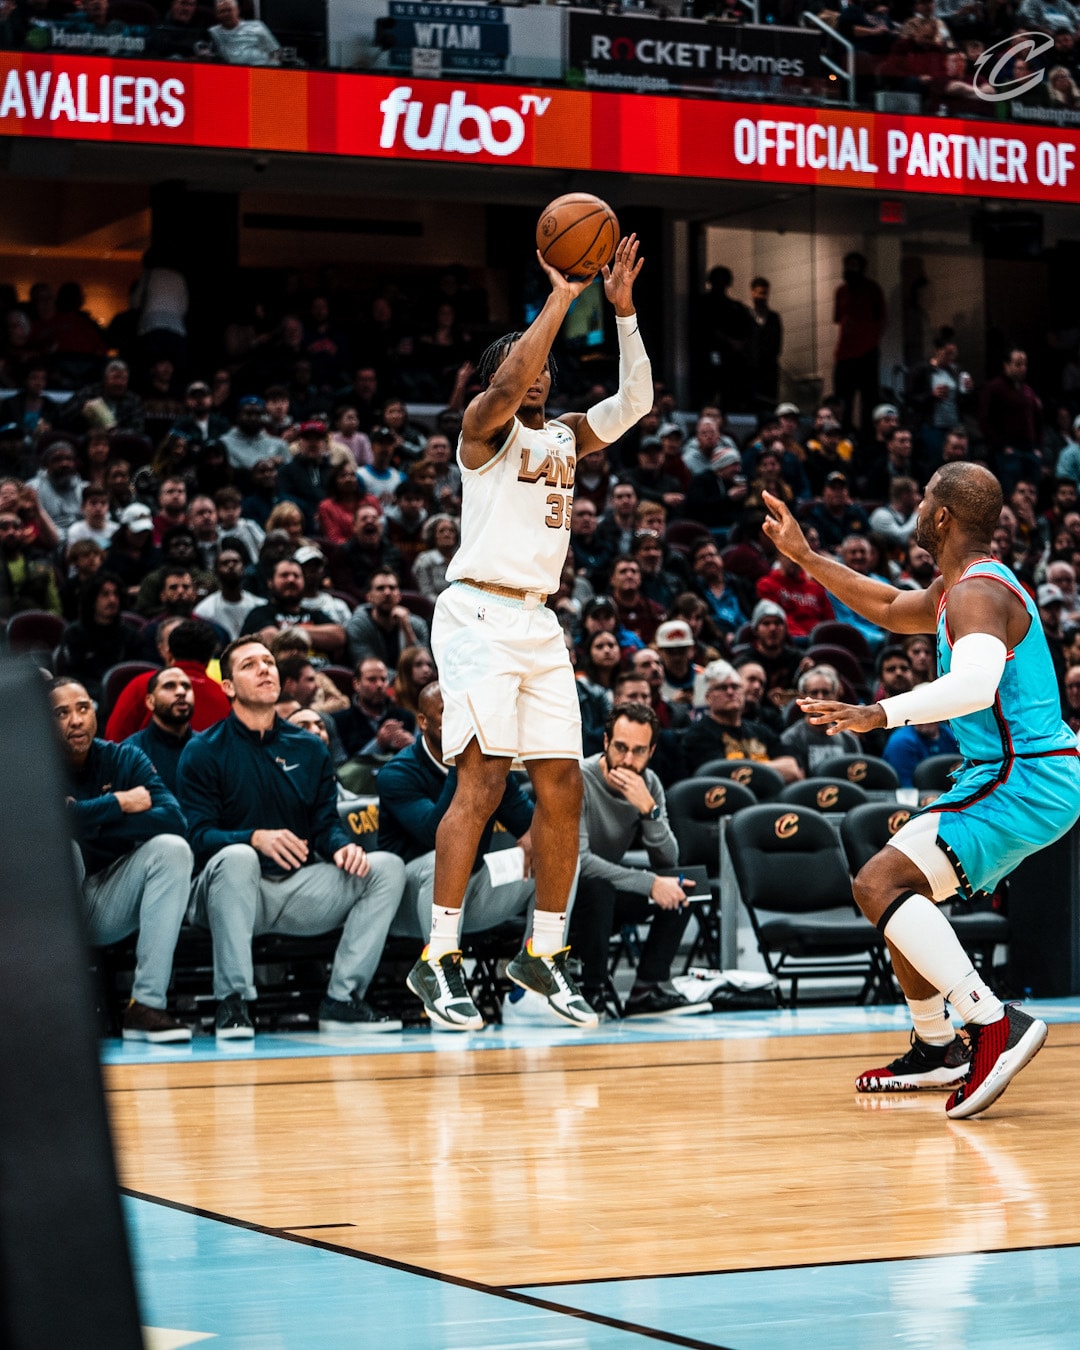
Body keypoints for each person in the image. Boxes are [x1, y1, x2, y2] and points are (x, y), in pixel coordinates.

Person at [762, 463, 1080, 1118]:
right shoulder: (954, 588)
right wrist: (806, 556)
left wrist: (879, 713)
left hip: (1026, 775)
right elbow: (881, 605)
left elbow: (974, 688)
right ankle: (939, 1047)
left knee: (877, 884)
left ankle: (992, 1023)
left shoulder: (977, 595)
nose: (912, 502)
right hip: (1016, 774)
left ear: (941, 516)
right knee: (898, 888)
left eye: (925, 494)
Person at [408, 233, 651, 1033]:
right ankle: (436, 958)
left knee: (564, 788)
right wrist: (558, 295)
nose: (540, 369)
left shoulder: (563, 435)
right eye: (527, 360)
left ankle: (544, 953)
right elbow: (510, 380)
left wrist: (619, 315)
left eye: (547, 359)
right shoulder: (483, 429)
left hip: (539, 620)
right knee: (480, 784)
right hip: (477, 612)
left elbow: (636, 404)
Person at [176, 637, 407, 1038]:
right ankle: (234, 1002)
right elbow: (198, 837)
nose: (265, 669)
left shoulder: (309, 747)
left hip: (295, 889)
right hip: (224, 894)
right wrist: (253, 838)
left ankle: (343, 1000)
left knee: (385, 867)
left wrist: (342, 846)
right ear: (227, 686)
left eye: (268, 662)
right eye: (250, 665)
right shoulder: (202, 750)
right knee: (238, 858)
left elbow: (323, 825)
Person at [51, 677, 193, 1043]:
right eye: (61, 713)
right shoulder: (33, 768)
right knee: (62, 847)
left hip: (109, 897)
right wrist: (118, 803)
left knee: (173, 849)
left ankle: (145, 1005)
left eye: (83, 708)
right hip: (50, 915)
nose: (76, 720)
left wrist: (86, 818)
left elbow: (173, 819)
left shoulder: (124, 756)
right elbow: (47, 829)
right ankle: (53, 1011)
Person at [378, 682, 535, 998]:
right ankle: (442, 980)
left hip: (474, 888)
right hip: (408, 899)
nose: (463, 722)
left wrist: (536, 833)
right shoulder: (397, 773)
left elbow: (529, 822)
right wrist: (462, 766)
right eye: (449, 713)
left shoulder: (489, 769)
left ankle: (533, 982)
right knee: (445, 859)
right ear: (423, 721)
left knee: (555, 854)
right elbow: (435, 835)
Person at [571, 702, 710, 1019]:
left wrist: (650, 811)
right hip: (569, 896)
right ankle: (594, 992)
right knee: (597, 886)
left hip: (609, 892)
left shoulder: (649, 784)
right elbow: (579, 862)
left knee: (685, 883)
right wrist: (648, 884)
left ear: (652, 751)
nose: (628, 760)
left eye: (639, 751)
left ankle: (646, 990)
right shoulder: (577, 779)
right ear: (605, 743)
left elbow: (668, 860)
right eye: (620, 748)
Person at [105, 618, 231, 741]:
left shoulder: (140, 685)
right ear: (209, 659)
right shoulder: (227, 698)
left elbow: (114, 741)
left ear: (169, 654)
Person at [682, 660, 804, 778]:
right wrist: (770, 769)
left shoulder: (761, 731)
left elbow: (792, 769)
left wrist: (746, 769)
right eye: (722, 687)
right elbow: (720, 774)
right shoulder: (698, 733)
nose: (730, 692)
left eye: (735, 687)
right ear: (708, 697)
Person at [56, 572, 142, 701]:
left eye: (116, 594)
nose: (112, 600)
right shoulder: (74, 634)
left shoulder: (131, 634)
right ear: (92, 598)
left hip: (124, 695)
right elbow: (74, 675)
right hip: (87, 696)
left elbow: (135, 673)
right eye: (105, 594)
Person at [240, 557, 346, 659]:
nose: (291, 580)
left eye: (296, 576)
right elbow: (270, 637)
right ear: (270, 582)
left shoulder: (315, 614)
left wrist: (290, 630)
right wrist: (311, 633)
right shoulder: (260, 613)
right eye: (284, 575)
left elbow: (338, 635)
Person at [125, 666, 196, 794]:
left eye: (186, 686)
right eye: (169, 686)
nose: (181, 692)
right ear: (150, 701)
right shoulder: (130, 753)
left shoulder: (211, 747)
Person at [781, 664, 862, 774]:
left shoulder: (849, 740)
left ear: (835, 696)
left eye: (826, 692)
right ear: (802, 697)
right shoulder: (791, 739)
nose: (820, 698)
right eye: (814, 693)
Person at [345, 569, 430, 672]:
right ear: (369, 597)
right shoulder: (358, 626)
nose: (387, 593)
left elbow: (425, 668)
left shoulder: (417, 625)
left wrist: (406, 628)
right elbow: (369, 670)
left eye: (392, 588)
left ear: (399, 595)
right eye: (380, 588)